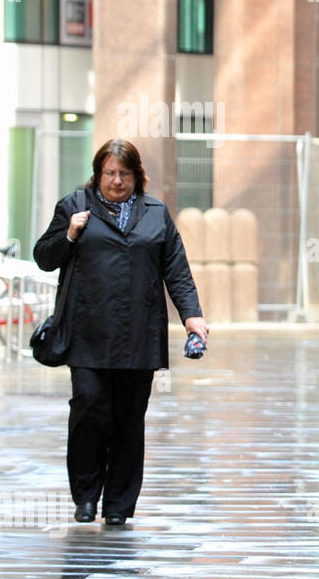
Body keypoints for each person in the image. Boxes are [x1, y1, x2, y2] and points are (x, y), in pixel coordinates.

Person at [33, 139, 207, 526]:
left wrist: (192, 316)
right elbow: (44, 258)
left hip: (138, 335)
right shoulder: (75, 207)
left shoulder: (155, 213)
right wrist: (70, 236)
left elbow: (176, 269)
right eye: (109, 173)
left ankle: (118, 506)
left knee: (130, 420)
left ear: (136, 176)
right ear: (98, 175)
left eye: (124, 174)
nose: (116, 181)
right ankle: (86, 495)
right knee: (89, 409)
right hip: (87, 333)